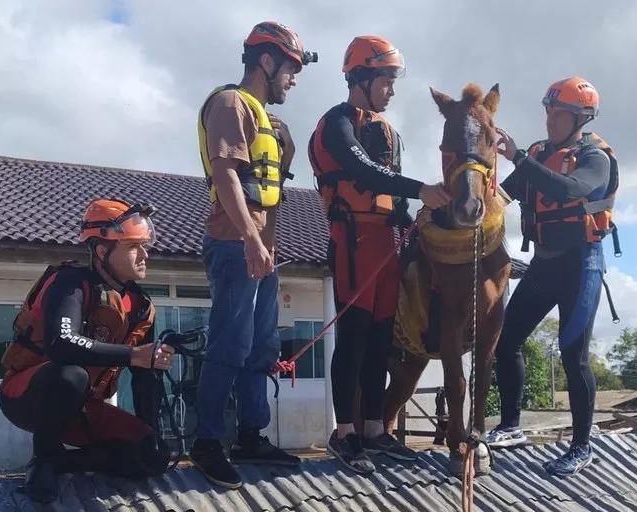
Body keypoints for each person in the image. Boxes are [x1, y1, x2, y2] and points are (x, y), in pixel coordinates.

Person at [309, 35, 451, 474]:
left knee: (378, 340)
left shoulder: (389, 132)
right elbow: (359, 170)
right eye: (386, 81)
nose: (391, 89)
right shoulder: (337, 122)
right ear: (363, 77)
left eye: (392, 81)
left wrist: (412, 225)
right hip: (352, 241)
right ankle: (344, 432)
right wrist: (419, 187)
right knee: (351, 338)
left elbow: (395, 195)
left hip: (386, 244)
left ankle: (375, 430)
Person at [191, 21, 316, 489]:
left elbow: (270, 194)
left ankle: (250, 435)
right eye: (290, 68)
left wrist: (266, 246)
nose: (293, 78)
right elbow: (225, 176)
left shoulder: (268, 120)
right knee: (230, 343)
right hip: (233, 243)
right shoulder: (229, 104)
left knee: (261, 346)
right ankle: (206, 443)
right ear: (267, 61)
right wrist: (249, 238)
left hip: (262, 251)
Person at [0, 198, 172, 503]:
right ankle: (43, 460)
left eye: (145, 245)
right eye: (134, 247)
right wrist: (133, 355)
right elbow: (60, 343)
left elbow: (147, 376)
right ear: (102, 251)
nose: (145, 254)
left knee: (152, 455)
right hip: (28, 395)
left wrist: (150, 433)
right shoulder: (70, 283)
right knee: (70, 375)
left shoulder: (142, 307)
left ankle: (62, 463)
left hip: (83, 408)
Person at [489, 77, 619, 477]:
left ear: (579, 117)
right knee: (506, 339)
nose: (549, 119)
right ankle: (511, 426)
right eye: (547, 110)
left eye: (558, 112)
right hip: (545, 263)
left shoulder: (595, 157)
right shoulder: (539, 154)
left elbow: (571, 189)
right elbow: (502, 196)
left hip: (582, 264)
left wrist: (519, 158)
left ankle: (582, 447)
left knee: (572, 354)